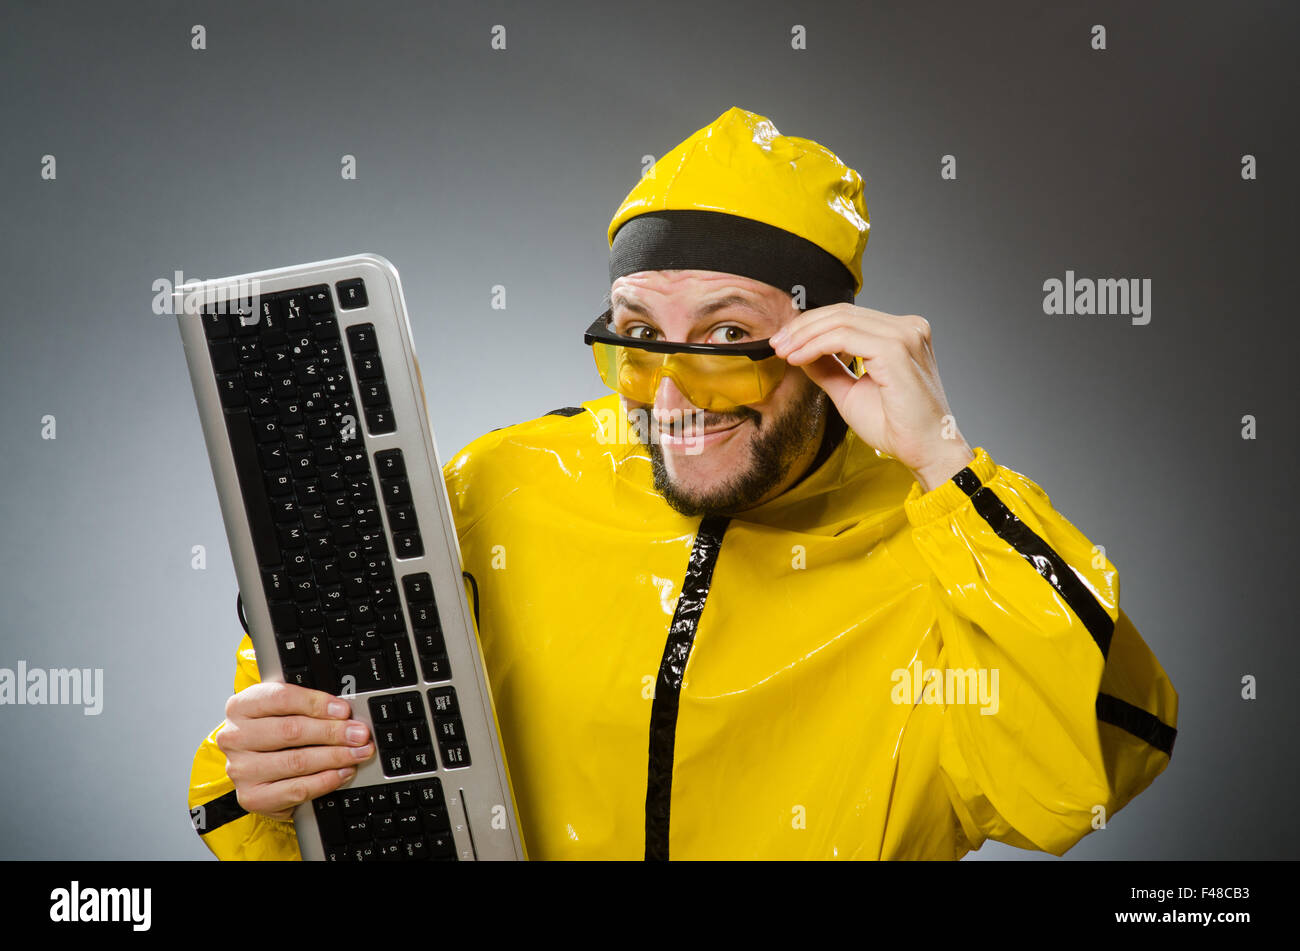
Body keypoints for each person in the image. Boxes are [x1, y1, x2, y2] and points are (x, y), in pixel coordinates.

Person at [188, 106, 1178, 860]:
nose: (670, 390)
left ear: (825, 342)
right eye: (637, 328)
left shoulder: (941, 539)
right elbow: (316, 785)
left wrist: (947, 466)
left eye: (728, 336)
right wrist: (271, 772)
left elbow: (1081, 770)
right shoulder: (498, 485)